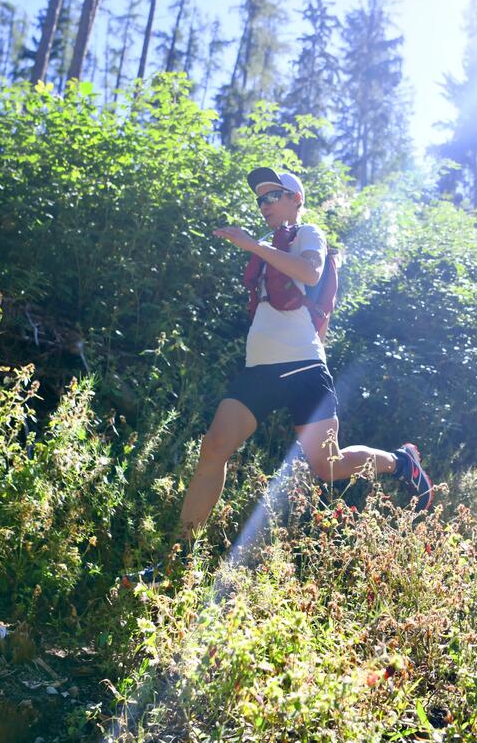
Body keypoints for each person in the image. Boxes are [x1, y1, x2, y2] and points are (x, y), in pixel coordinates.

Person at [124, 168, 431, 586]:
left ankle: (400, 462)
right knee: (214, 447)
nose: (264, 205)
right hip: (260, 369)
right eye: (260, 200)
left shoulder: (309, 235)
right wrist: (258, 247)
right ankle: (177, 563)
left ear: (295, 199)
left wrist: (253, 245)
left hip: (304, 367)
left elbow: (308, 274)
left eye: (273, 196)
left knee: (327, 465)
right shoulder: (268, 248)